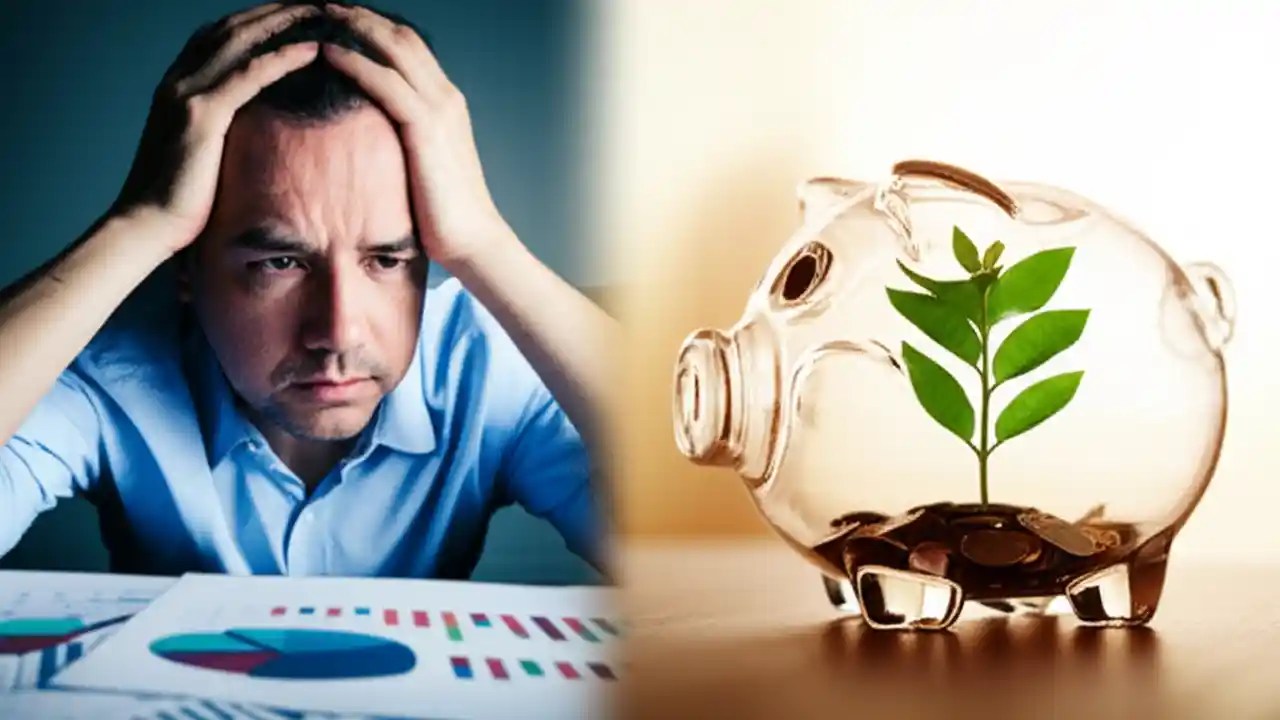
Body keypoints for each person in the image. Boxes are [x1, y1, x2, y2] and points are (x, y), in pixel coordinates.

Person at [0, 2, 616, 579]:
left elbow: (700, 537)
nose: (338, 332)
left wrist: (484, 244)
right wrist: (140, 225)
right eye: (280, 261)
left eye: (387, 258)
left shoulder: (491, 369)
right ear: (185, 266)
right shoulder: (110, 364)